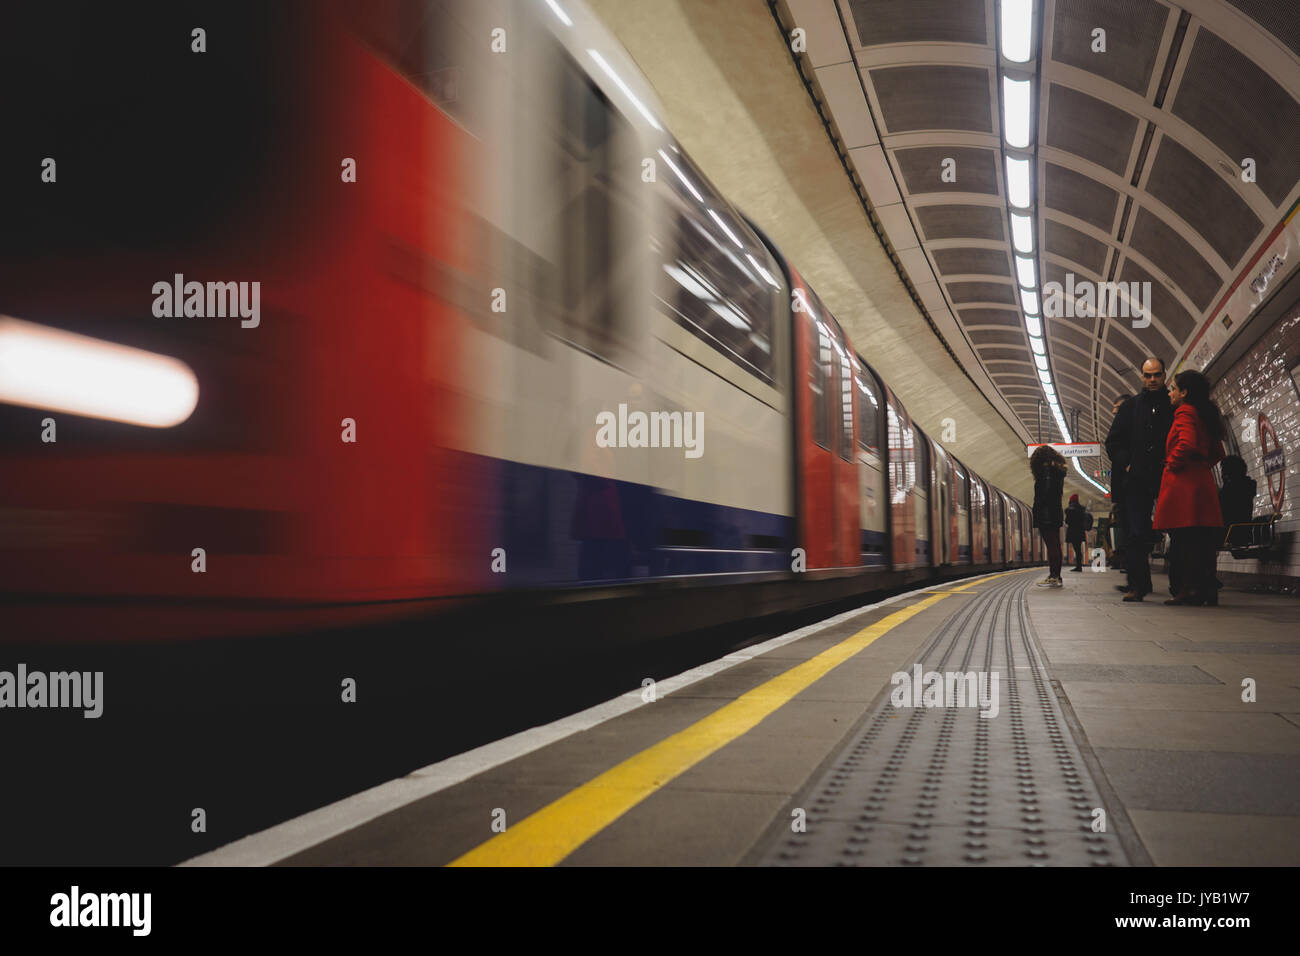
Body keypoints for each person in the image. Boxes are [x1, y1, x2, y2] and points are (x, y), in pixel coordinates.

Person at [1154, 370, 1226, 606]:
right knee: (1202, 540)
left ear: (1184, 393)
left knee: (1184, 540)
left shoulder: (1184, 411)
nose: (1170, 392)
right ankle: (1207, 589)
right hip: (1201, 482)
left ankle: (1188, 589)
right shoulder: (1206, 414)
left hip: (1184, 485)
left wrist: (1173, 463)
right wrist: (1201, 466)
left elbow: (1186, 442)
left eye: (1174, 388)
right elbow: (1218, 452)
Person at [1106, 361, 1173, 602]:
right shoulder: (1130, 407)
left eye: (1156, 375)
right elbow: (1113, 442)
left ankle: (1180, 585)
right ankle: (1137, 584)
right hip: (1136, 480)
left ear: (1164, 376)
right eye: (1147, 375)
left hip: (1169, 476)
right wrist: (1127, 464)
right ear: (1142, 377)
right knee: (1136, 533)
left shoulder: (1173, 405)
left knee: (1177, 529)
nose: (1152, 379)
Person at [1104, 394, 1133, 579]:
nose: (1113, 411)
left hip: (1131, 487)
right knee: (1128, 531)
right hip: (1124, 489)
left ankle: (1136, 578)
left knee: (1131, 532)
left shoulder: (1131, 429)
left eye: (1117, 407)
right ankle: (1134, 576)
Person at [1031, 444, 1067, 588]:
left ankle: (1054, 576)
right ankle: (1055, 575)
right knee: (1055, 545)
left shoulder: (1046, 472)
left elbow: (1044, 494)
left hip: (1047, 513)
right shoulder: (1056, 471)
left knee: (1052, 545)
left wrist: (1038, 508)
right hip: (1054, 512)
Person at [1218, 455, 1257, 531]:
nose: (1222, 475)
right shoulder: (1248, 486)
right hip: (1246, 529)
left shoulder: (1228, 491)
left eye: (1223, 471)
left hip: (1231, 532)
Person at [1064, 493, 1088, 571]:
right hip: (1080, 532)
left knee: (1076, 549)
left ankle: (1078, 567)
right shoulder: (1082, 510)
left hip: (1073, 532)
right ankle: (1079, 566)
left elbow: (1067, 521)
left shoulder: (1069, 510)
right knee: (1078, 550)